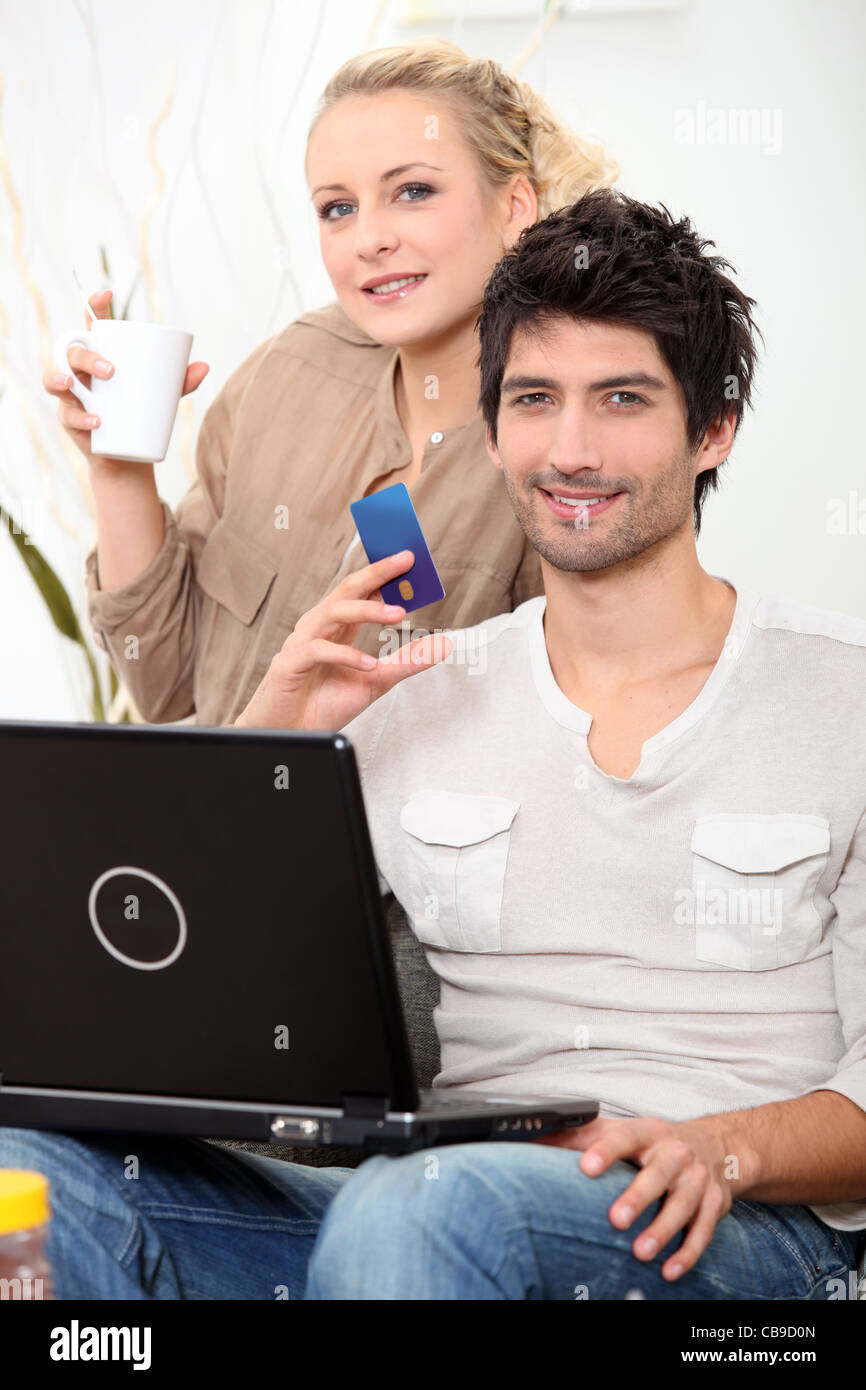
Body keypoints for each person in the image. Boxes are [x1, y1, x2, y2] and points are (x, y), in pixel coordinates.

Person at [8, 188, 865, 1300]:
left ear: (711, 427)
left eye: (619, 399)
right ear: (495, 423)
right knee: (28, 1175)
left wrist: (716, 1147)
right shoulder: (423, 694)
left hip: (732, 1231)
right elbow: (162, 970)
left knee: (424, 1203)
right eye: (533, 399)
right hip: (421, 1216)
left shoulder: (837, 698)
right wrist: (280, 724)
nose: (569, 448)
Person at [42, 37, 617, 727]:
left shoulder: (567, 455)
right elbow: (164, 681)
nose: (368, 239)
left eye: (413, 191)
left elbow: (574, 743)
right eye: (337, 208)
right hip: (212, 823)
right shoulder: (289, 370)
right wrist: (118, 468)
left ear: (515, 206)